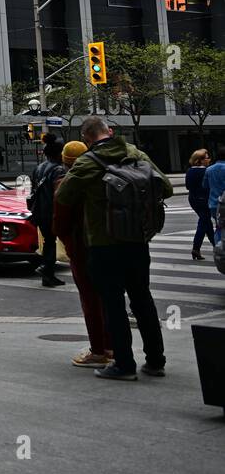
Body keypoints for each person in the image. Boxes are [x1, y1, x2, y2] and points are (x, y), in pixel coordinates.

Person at [55, 116, 172, 381]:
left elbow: (63, 197)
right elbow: (164, 187)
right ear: (110, 131)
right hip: (137, 240)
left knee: (113, 304)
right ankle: (155, 361)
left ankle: (124, 364)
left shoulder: (87, 162)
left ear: (86, 139)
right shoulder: (136, 154)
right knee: (143, 299)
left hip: (103, 243)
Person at [53, 141, 111, 368]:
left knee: (90, 300)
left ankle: (98, 350)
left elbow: (59, 223)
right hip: (109, 243)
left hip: (82, 246)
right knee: (109, 297)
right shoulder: (104, 177)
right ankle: (112, 345)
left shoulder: (65, 183)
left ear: (65, 161)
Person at [29, 140, 66, 287]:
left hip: (39, 211)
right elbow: (59, 194)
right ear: (58, 153)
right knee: (51, 242)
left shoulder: (39, 168)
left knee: (48, 242)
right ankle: (47, 272)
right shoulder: (58, 170)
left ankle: (48, 274)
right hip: (51, 211)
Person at [186, 148, 214, 261]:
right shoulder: (205, 171)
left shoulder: (190, 171)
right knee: (204, 222)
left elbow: (188, 186)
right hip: (204, 200)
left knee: (206, 222)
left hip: (193, 199)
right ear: (200, 160)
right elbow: (208, 186)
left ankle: (216, 246)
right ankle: (196, 248)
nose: (209, 160)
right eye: (207, 158)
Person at [205, 146, 225, 247]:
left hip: (213, 204)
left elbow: (205, 186)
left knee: (219, 227)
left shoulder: (209, 170)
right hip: (224, 203)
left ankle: (218, 248)